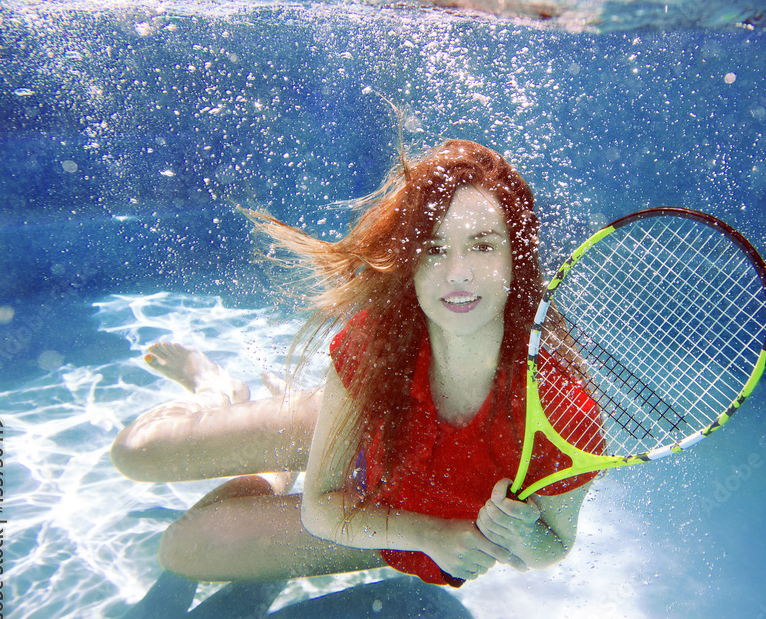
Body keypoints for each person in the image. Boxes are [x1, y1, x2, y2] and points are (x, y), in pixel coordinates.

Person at [111, 140, 602, 585]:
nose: (458, 274)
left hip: (381, 516)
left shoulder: (561, 412)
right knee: (135, 451)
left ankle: (278, 469)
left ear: (516, 257)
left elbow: (552, 547)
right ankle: (216, 390)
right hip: (360, 421)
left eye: (482, 245)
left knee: (183, 547)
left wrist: (502, 536)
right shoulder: (380, 340)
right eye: (434, 249)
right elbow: (320, 506)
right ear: (411, 259)